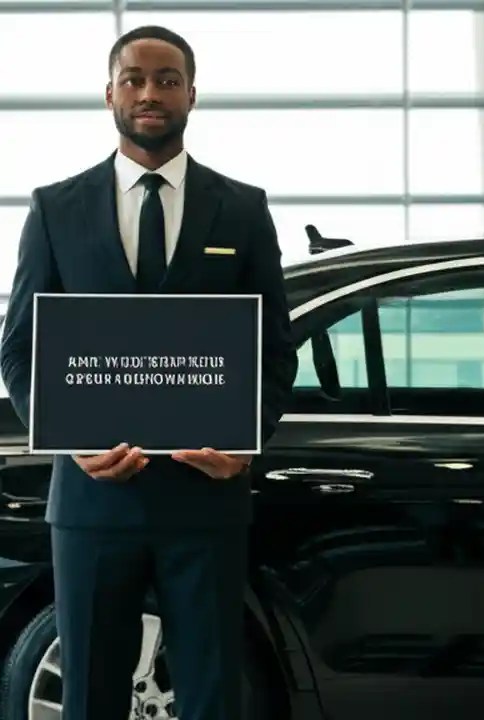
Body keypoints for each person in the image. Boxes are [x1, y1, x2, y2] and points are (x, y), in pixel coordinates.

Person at [0, 26, 297, 720]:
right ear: (109, 94)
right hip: (93, 502)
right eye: (134, 78)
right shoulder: (55, 209)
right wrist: (69, 436)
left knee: (213, 695)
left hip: (205, 500)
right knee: (91, 698)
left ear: (192, 93)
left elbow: (275, 350)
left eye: (166, 79)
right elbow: (19, 350)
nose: (150, 93)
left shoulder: (244, 209)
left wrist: (246, 439)